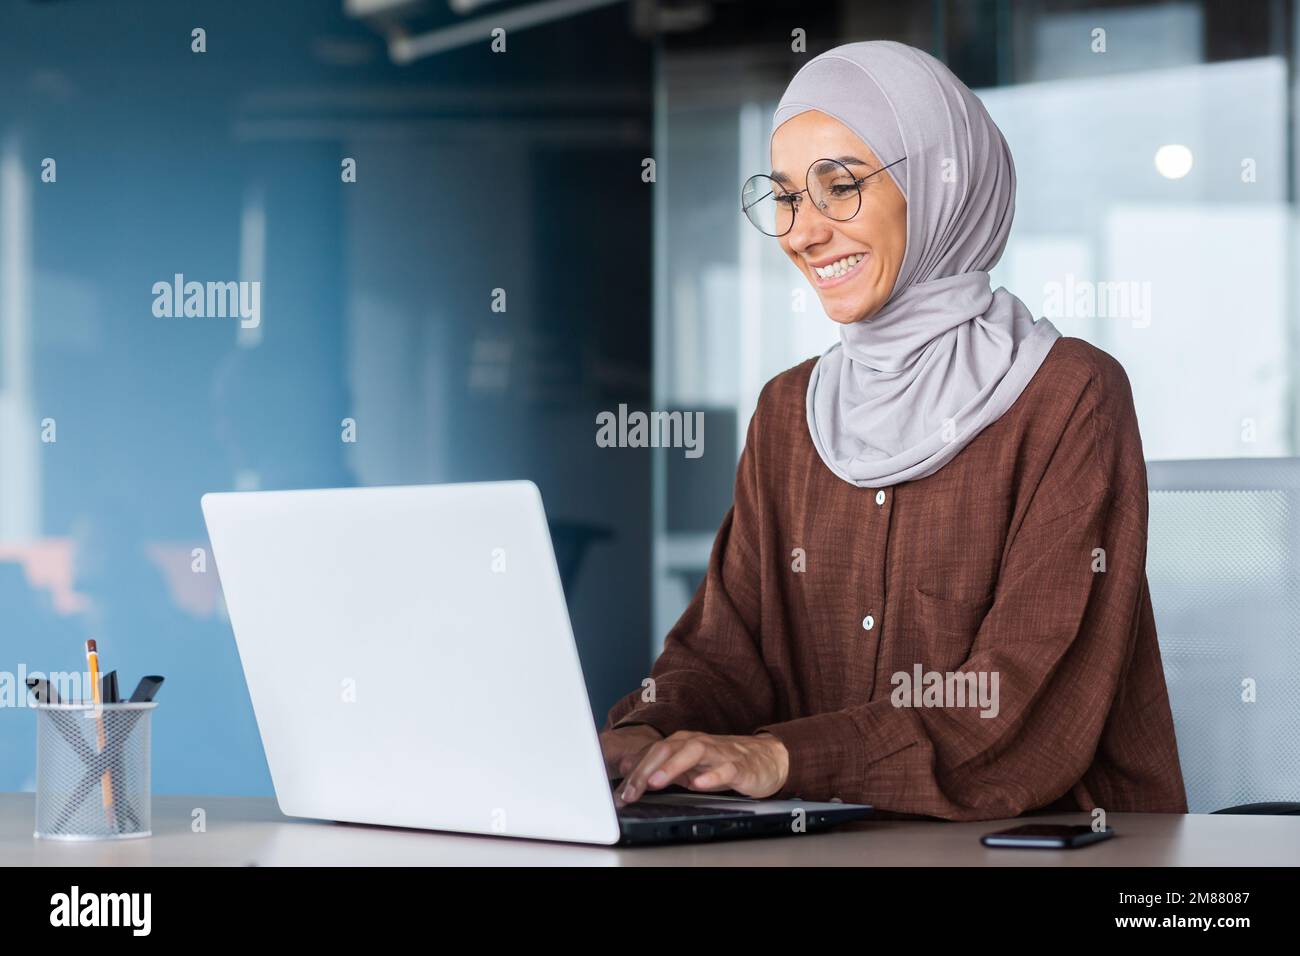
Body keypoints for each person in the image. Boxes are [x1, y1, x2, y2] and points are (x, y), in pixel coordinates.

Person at [600, 40, 1187, 821]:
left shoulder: (1068, 394)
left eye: (838, 187)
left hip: (1045, 845)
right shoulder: (789, 411)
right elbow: (725, 657)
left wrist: (782, 757)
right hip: (832, 841)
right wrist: (650, 733)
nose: (802, 234)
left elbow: (1023, 704)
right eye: (784, 198)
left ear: (940, 186)